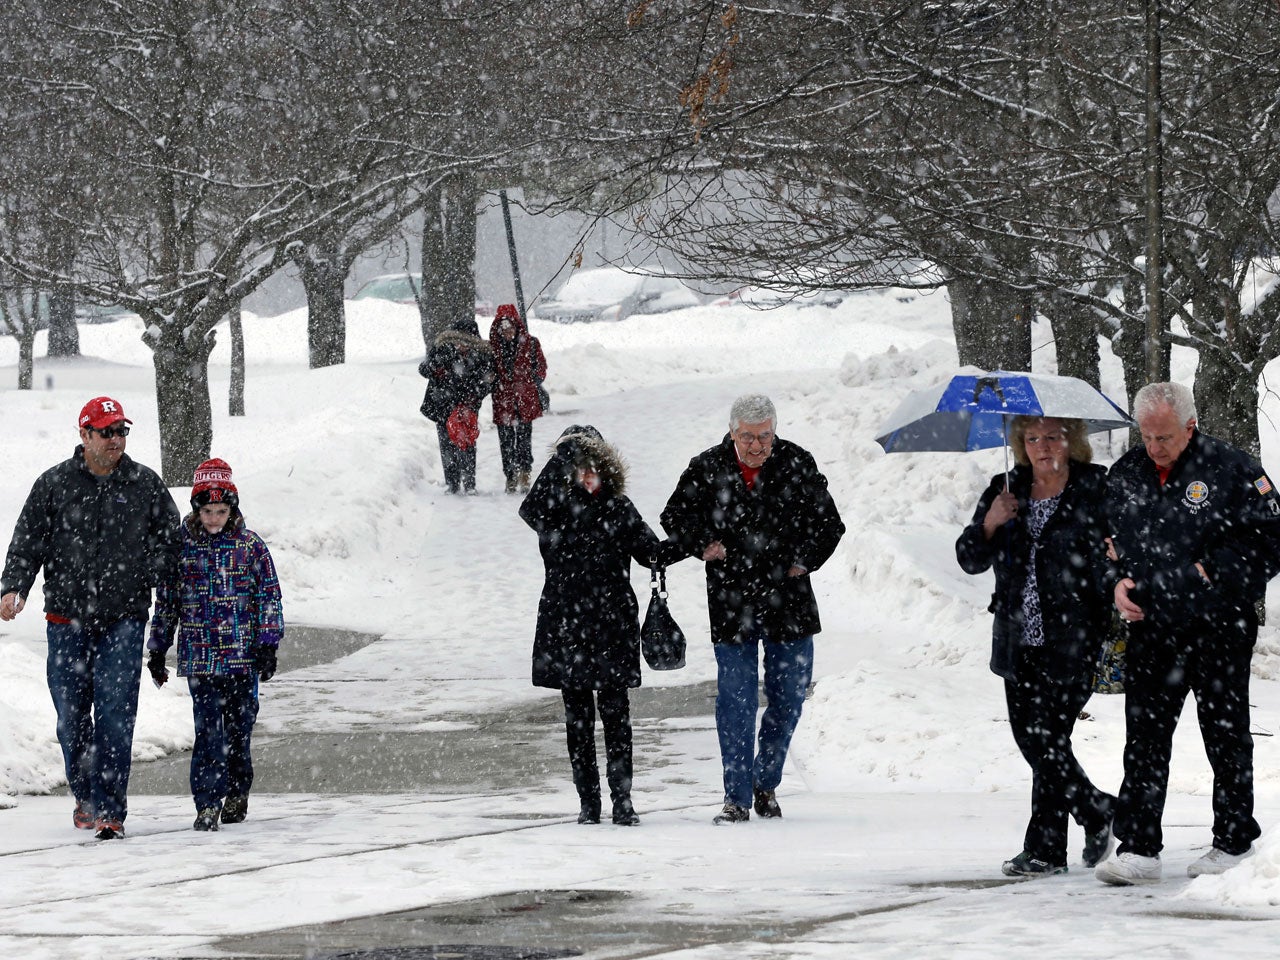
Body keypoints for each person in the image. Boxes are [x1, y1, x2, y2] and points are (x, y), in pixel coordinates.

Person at [1094, 381, 1280, 885]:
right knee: (1146, 737)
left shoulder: (1233, 469)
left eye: (1165, 437)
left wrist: (1207, 573)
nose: (1155, 447)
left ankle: (1234, 841)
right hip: (1153, 629)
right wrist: (1115, 585)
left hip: (1219, 625)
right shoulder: (1126, 474)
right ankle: (1140, 848)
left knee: (1225, 734)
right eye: (1147, 436)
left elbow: (1270, 543)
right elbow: (1103, 544)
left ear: (1191, 426)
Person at [0, 397, 181, 840]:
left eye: (122, 431)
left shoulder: (144, 484)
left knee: (117, 715)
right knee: (71, 718)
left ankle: (111, 809)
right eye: (107, 432)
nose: (116, 439)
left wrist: (152, 573)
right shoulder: (55, 485)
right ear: (85, 436)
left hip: (124, 618)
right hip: (66, 620)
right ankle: (86, 794)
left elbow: (169, 543)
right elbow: (27, 541)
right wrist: (13, 586)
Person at [661, 394, 845, 823]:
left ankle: (766, 782)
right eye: (748, 437)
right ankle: (736, 797)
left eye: (764, 436)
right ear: (732, 433)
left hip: (790, 600)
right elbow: (675, 516)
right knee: (736, 702)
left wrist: (804, 560)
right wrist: (702, 543)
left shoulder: (797, 462)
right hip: (732, 599)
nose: (757, 445)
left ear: (774, 431)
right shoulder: (707, 467)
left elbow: (830, 524)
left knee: (789, 699)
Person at [955, 416, 1115, 877]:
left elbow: (1117, 546)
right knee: (1036, 741)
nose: (1042, 446)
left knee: (1046, 738)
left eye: (1052, 436)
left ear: (1072, 440)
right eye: (1032, 439)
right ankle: (1086, 816)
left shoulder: (1094, 486)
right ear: (1020, 444)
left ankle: (1056, 839)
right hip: (1016, 637)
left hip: (1074, 636)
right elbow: (969, 560)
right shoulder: (1006, 486)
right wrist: (989, 522)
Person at [519, 425, 684, 826]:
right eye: (579, 466)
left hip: (611, 625)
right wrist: (565, 453)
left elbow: (652, 553)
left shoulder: (617, 507)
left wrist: (696, 542)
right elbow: (530, 506)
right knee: (577, 719)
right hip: (566, 625)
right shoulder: (553, 508)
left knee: (616, 716)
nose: (587, 474)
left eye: (594, 465)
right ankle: (588, 802)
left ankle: (622, 800)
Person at [146, 458, 284, 831]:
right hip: (200, 658)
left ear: (232, 509)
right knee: (208, 732)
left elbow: (269, 598)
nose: (213, 519)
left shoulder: (250, 547)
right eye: (207, 511)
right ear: (196, 509)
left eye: (221, 511)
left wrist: (267, 644)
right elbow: (168, 601)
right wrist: (158, 646)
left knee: (239, 729)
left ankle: (238, 789)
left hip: (242, 659)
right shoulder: (182, 547)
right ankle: (206, 802)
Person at [419, 317, 494, 494]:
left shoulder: (481, 355)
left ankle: (469, 484)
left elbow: (488, 380)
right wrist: (438, 366)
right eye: (460, 341)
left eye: (467, 342)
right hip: (443, 404)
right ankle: (452, 483)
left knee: (467, 442)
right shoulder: (442, 350)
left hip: (467, 405)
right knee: (447, 443)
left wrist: (475, 396)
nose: (463, 346)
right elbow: (424, 369)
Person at [489, 303, 547, 494]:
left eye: (510, 327)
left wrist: (530, 382)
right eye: (503, 328)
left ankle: (524, 472)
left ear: (516, 326)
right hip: (503, 401)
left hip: (524, 401)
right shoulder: (493, 349)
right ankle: (510, 475)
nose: (507, 332)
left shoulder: (530, 344)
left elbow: (541, 367)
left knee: (524, 440)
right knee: (505, 441)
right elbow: (487, 372)